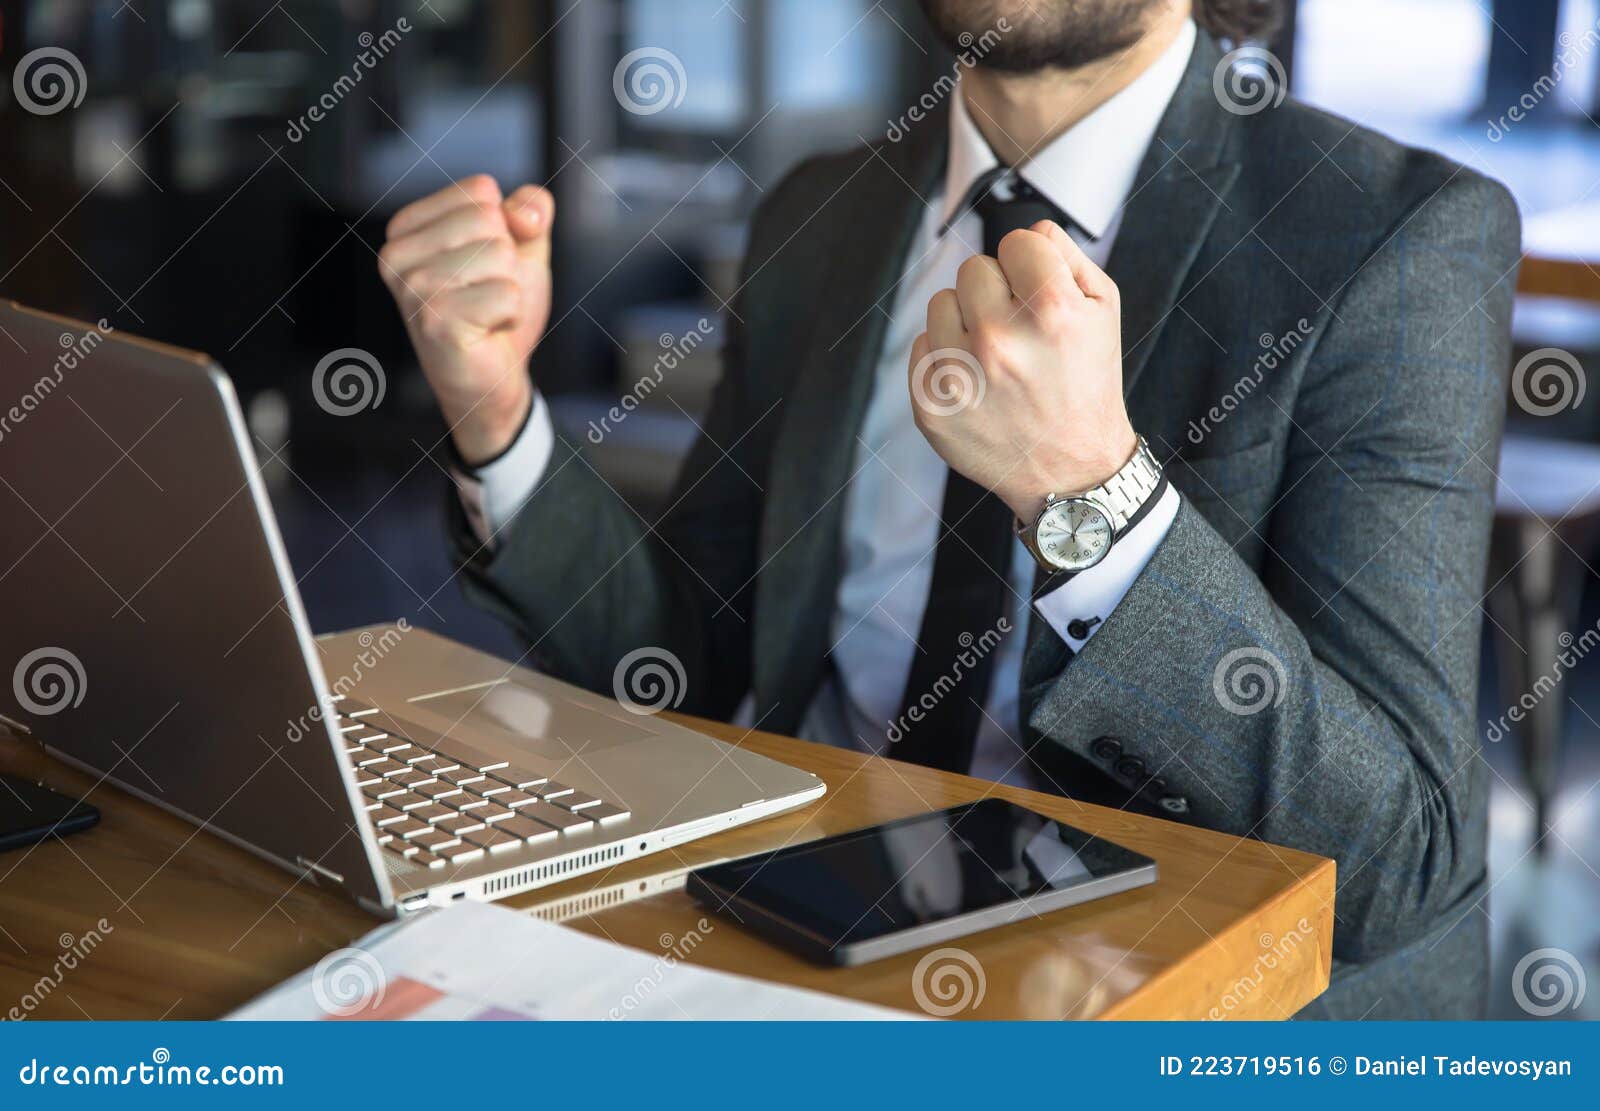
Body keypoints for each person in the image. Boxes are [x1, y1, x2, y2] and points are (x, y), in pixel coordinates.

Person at [376, 0, 1520, 1018]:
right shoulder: (819, 214)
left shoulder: (1392, 237)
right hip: (788, 936)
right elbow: (684, 664)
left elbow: (1397, 859)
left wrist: (1095, 500)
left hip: (1155, 993)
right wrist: (498, 412)